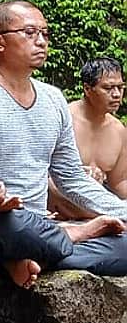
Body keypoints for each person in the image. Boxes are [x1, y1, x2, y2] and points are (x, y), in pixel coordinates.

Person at [0, 1, 127, 288]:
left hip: (36, 224)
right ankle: (67, 237)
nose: (41, 41)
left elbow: (71, 177)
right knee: (14, 228)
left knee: (123, 245)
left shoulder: (53, 99)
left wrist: (120, 210)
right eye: (29, 32)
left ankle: (34, 256)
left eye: (45, 33)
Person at [48, 57, 127, 218]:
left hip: (102, 208)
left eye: (120, 87)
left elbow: (119, 182)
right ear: (87, 89)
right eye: (108, 88)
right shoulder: (63, 120)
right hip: (59, 207)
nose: (116, 94)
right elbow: (37, 171)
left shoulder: (118, 129)